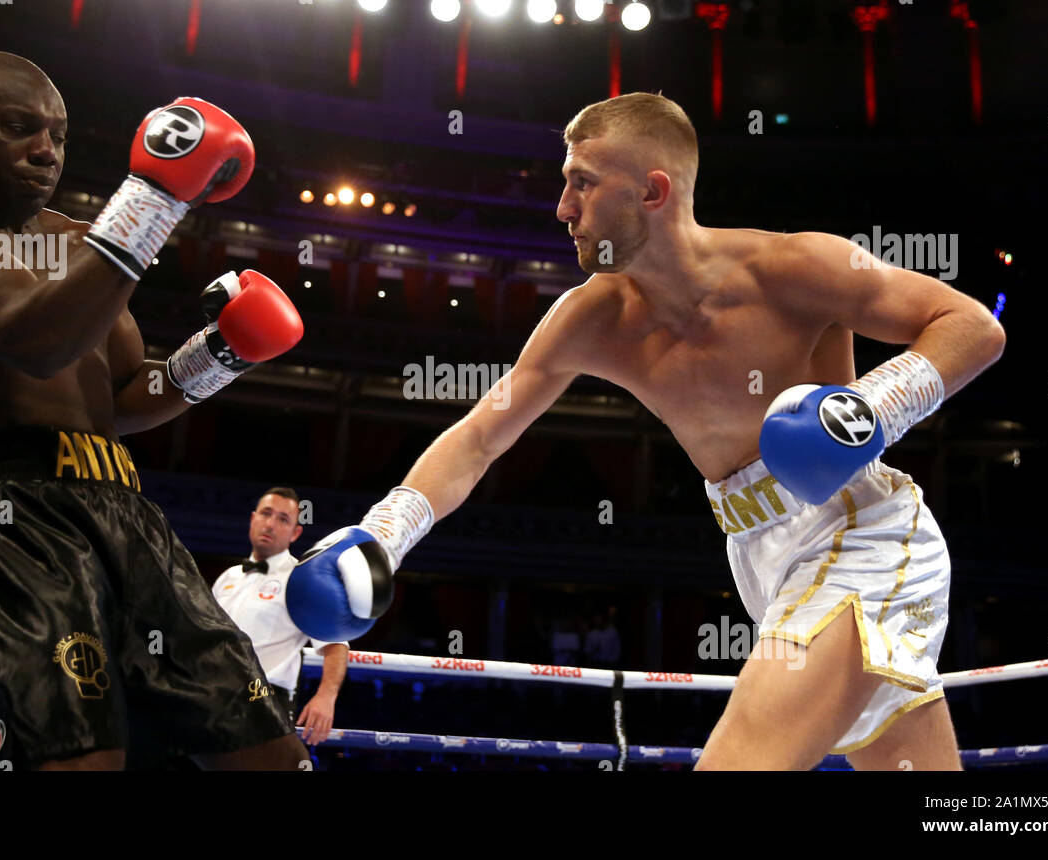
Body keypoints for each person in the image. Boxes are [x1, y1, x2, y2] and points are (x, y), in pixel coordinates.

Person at [288, 92, 1005, 771]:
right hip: (762, 559)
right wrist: (385, 534)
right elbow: (481, 435)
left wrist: (869, 409)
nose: (562, 208)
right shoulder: (591, 318)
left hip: (860, 534)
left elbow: (973, 325)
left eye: (582, 183)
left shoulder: (791, 267)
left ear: (653, 193)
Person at [0, 52, 307, 770]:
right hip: (13, 513)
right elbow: (28, 341)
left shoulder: (81, 241)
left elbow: (126, 397)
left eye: (58, 134)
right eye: (19, 128)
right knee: (81, 760)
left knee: (267, 754)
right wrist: (155, 200)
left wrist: (221, 353)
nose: (46, 150)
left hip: (126, 509)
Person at [212, 488, 348, 746]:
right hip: (214, 694)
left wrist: (326, 697)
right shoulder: (227, 578)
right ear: (253, 519)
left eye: (283, 519)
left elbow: (336, 644)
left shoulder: (304, 580)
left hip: (265, 699)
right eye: (266, 514)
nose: (270, 524)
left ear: (295, 532)